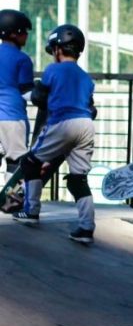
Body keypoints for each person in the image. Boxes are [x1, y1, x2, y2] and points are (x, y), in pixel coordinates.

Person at [13, 24, 97, 244]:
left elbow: (40, 98)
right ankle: (86, 228)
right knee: (78, 180)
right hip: (86, 125)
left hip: (62, 123)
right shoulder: (87, 78)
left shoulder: (52, 71)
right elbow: (91, 108)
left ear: (58, 49)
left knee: (31, 163)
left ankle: (31, 211)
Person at [0, 9, 34, 210]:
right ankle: (10, 202)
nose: (27, 36)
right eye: (24, 32)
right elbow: (26, 91)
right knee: (17, 162)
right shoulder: (22, 60)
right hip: (13, 117)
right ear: (14, 33)